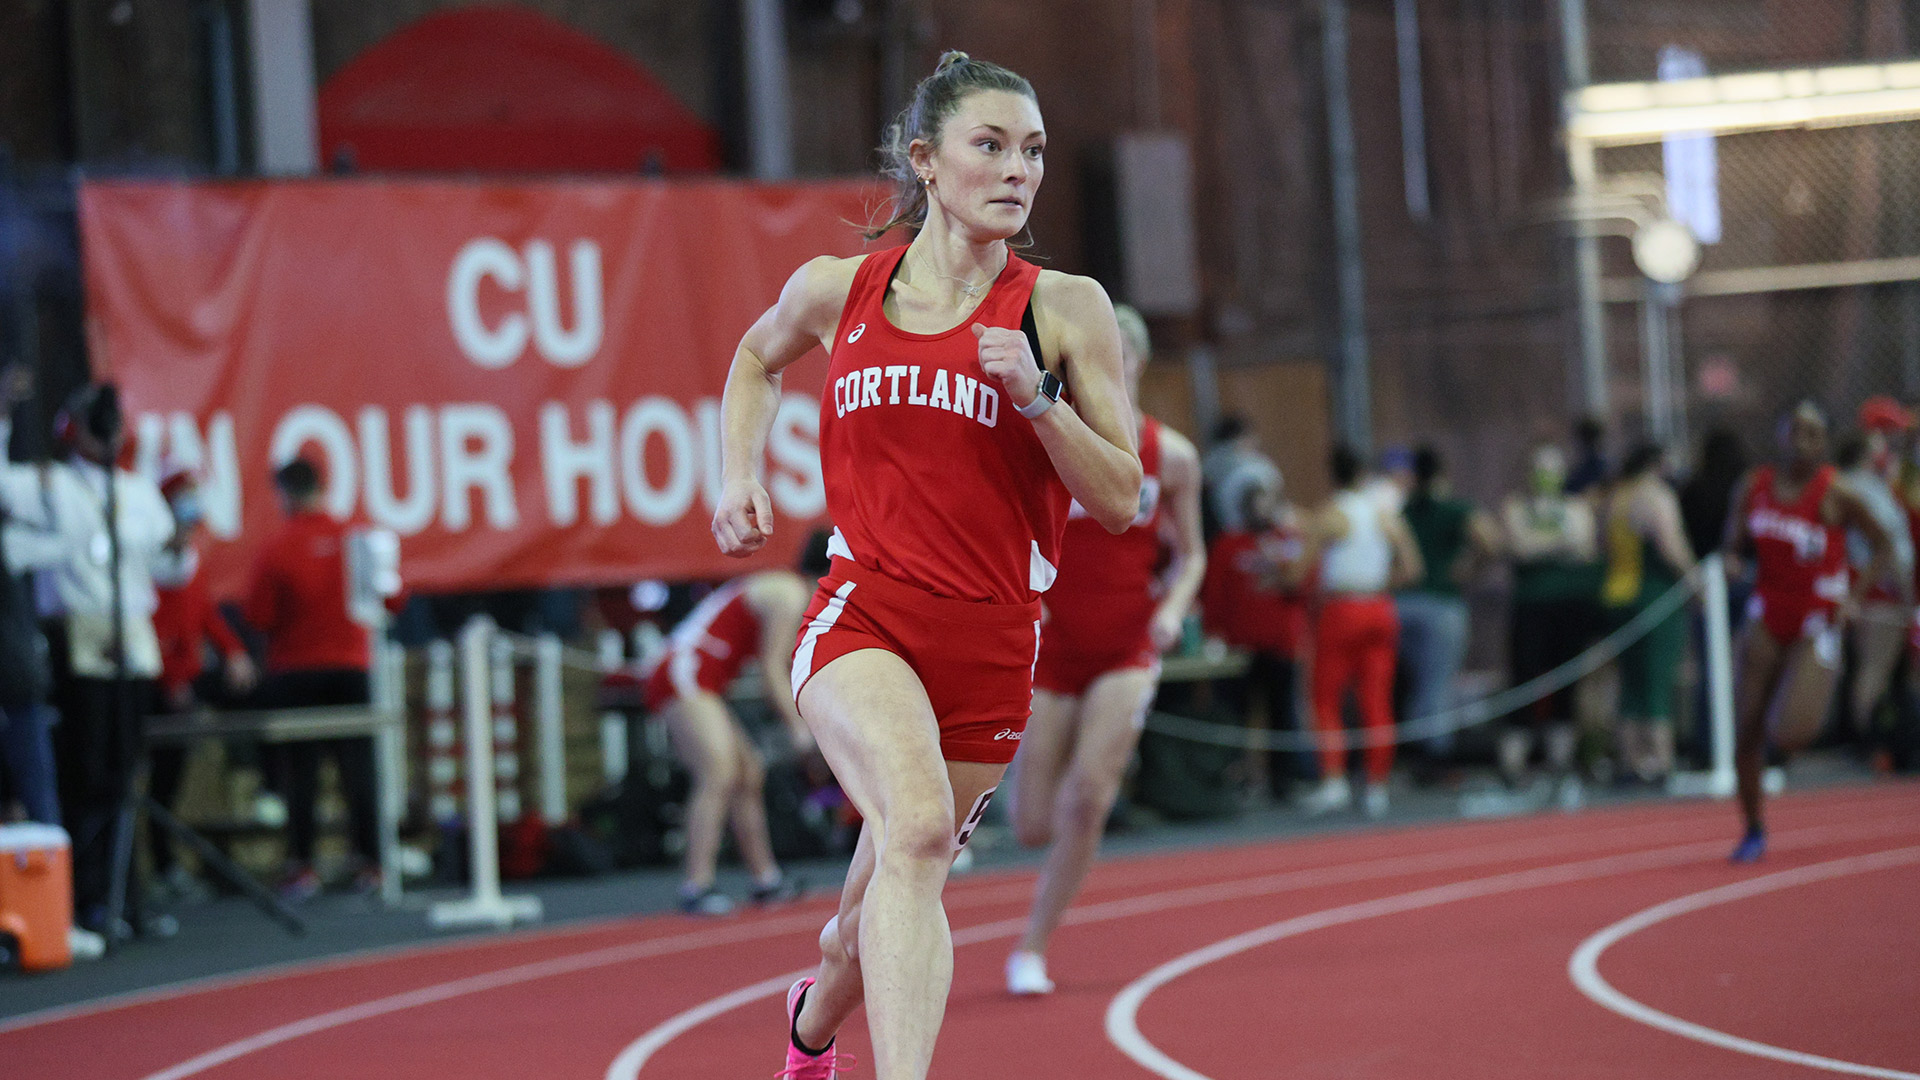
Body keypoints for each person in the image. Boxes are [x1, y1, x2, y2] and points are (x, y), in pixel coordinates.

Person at [710, 51, 1140, 1080]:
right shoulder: (839, 287)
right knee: (915, 832)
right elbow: (754, 360)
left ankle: (811, 1026)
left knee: (864, 927)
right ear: (926, 163)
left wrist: (1040, 402)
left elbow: (1120, 498)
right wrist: (735, 476)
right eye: (989, 146)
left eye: (1031, 152)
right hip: (866, 617)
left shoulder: (1065, 307)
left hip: (991, 644)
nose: (1016, 171)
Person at [1004, 303, 1205, 996]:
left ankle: (1033, 946)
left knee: (1089, 796)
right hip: (1056, 646)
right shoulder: (1054, 440)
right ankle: (1037, 802)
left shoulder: (1171, 456)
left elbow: (1193, 556)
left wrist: (1175, 607)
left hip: (1127, 644)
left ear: (1138, 363)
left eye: (1114, 350)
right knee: (1032, 824)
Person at [1723, 404, 1900, 862]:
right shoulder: (1753, 486)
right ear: (1780, 434)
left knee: (1789, 733)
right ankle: (1753, 828)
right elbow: (1732, 543)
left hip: (1817, 614)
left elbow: (1884, 544)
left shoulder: (1837, 492)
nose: (1802, 441)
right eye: (1795, 430)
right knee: (1747, 726)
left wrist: (1854, 596)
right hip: (1768, 610)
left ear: (1825, 444)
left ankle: (1805, 712)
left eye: (1813, 434)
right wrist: (1731, 562)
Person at [37, 383, 179, 938]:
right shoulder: (54, 485)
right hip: (78, 634)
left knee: (126, 774)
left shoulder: (138, 490)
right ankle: (89, 897)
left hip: (132, 634)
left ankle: (126, 898)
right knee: (87, 772)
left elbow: (170, 568)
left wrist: (182, 536)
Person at [638, 543, 826, 915]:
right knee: (717, 771)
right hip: (685, 671)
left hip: (700, 674)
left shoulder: (785, 588)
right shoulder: (789, 595)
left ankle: (766, 880)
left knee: (748, 772)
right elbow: (773, 670)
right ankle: (696, 884)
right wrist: (799, 728)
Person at [244, 458, 380, 900]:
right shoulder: (357, 539)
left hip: (297, 671)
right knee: (358, 768)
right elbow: (393, 597)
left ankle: (303, 867)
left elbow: (258, 616)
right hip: (351, 667)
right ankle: (372, 863)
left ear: (284, 493)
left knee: (300, 774)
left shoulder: (276, 548)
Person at [1296, 444, 1423, 818]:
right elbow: (1414, 569)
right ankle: (1376, 787)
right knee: (1376, 699)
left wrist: (1279, 579)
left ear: (1332, 475)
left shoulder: (1332, 514)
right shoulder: (1385, 515)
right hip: (1380, 607)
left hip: (1342, 609)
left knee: (1325, 697)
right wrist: (1381, 582)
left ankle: (1334, 782)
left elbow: (1300, 570)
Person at [147, 470, 256, 901]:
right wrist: (172, 680)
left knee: (171, 778)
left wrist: (234, 651)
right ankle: (159, 867)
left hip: (188, 677)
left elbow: (206, 613)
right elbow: (155, 624)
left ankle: (254, 785)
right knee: (159, 782)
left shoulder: (190, 557)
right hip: (160, 684)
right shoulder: (152, 560)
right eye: (186, 499)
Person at [1201, 473, 1311, 798]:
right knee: (1235, 716)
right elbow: (1214, 594)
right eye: (1254, 506)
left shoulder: (1289, 542)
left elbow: (1303, 587)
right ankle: (1236, 779)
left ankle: (1283, 781)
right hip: (1239, 648)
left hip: (1280, 645)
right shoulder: (1228, 545)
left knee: (1283, 714)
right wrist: (1213, 634)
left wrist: (1279, 566)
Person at [1498, 443, 1600, 791]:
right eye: (1540, 468)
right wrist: (1560, 544)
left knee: (1566, 683)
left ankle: (1561, 762)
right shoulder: (1515, 506)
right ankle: (1514, 763)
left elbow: (1584, 546)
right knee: (1524, 679)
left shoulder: (1575, 506)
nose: (1546, 476)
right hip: (1530, 605)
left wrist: (1541, 546)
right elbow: (1519, 547)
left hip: (1570, 605)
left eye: (1553, 469)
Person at [1394, 444, 1499, 766]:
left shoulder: (1406, 510)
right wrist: (1470, 569)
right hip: (1440, 604)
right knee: (1438, 681)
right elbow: (1490, 539)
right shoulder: (1454, 508)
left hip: (1402, 605)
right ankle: (1435, 755)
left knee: (1415, 681)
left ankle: (1414, 748)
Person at [1599, 444, 1697, 785]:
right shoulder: (1655, 495)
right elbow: (1669, 545)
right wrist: (1696, 579)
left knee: (1630, 683)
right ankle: (1660, 758)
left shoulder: (1616, 496)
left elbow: (1604, 546)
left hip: (1617, 593)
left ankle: (1629, 761)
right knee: (1657, 678)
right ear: (1656, 464)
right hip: (1652, 594)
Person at [1838, 403, 1916, 747]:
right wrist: (1905, 590)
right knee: (1875, 668)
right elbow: (1890, 544)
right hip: (1879, 589)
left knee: (1876, 669)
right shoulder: (1864, 488)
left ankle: (1875, 737)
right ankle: (1869, 741)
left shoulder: (1864, 485)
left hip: (1873, 586)